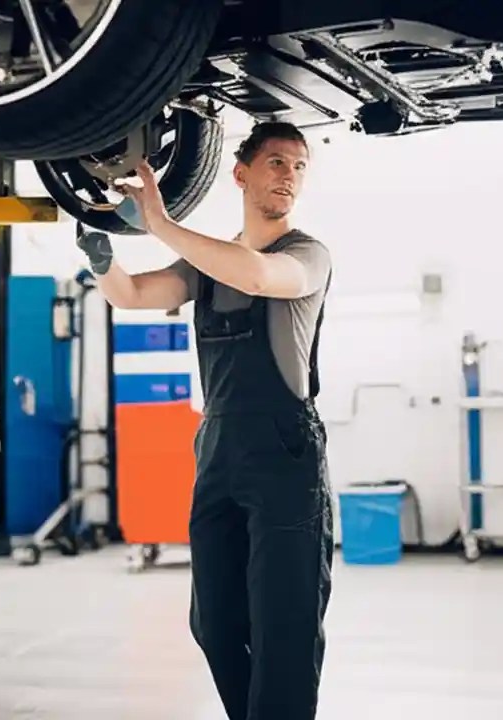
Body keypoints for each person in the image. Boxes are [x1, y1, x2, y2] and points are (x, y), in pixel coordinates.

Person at [76, 122, 334, 720]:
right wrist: (102, 258)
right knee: (214, 623)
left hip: (285, 453)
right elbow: (134, 295)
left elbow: (257, 276)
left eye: (298, 166)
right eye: (275, 162)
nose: (289, 175)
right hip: (217, 447)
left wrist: (161, 224)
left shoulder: (306, 255)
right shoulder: (204, 265)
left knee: (283, 633)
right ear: (241, 173)